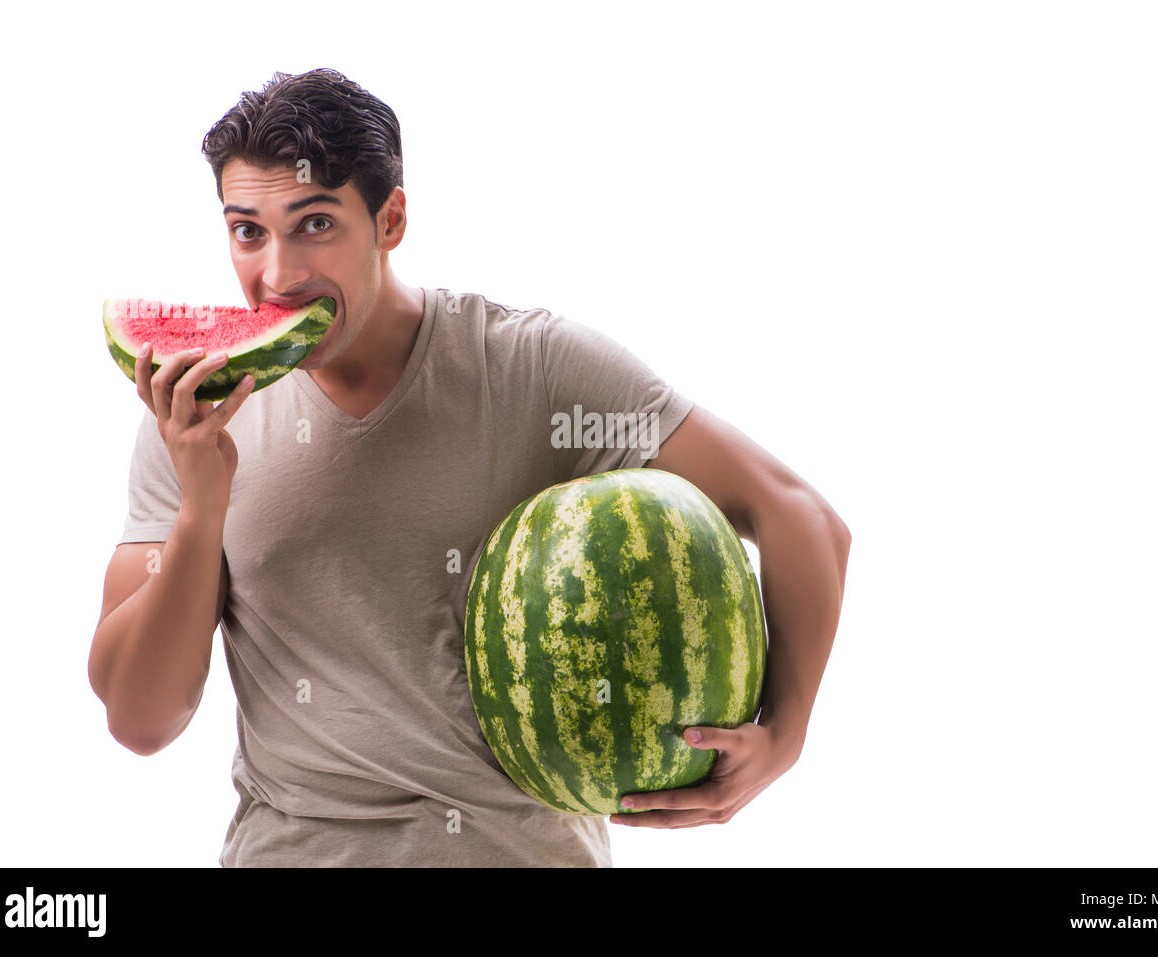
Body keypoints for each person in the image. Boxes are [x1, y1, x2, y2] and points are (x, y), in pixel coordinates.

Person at [88, 68, 851, 867]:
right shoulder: (193, 412)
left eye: (314, 224)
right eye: (248, 231)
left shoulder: (531, 369)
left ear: (391, 219)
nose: (277, 275)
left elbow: (797, 514)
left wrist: (785, 733)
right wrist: (200, 507)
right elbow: (142, 720)